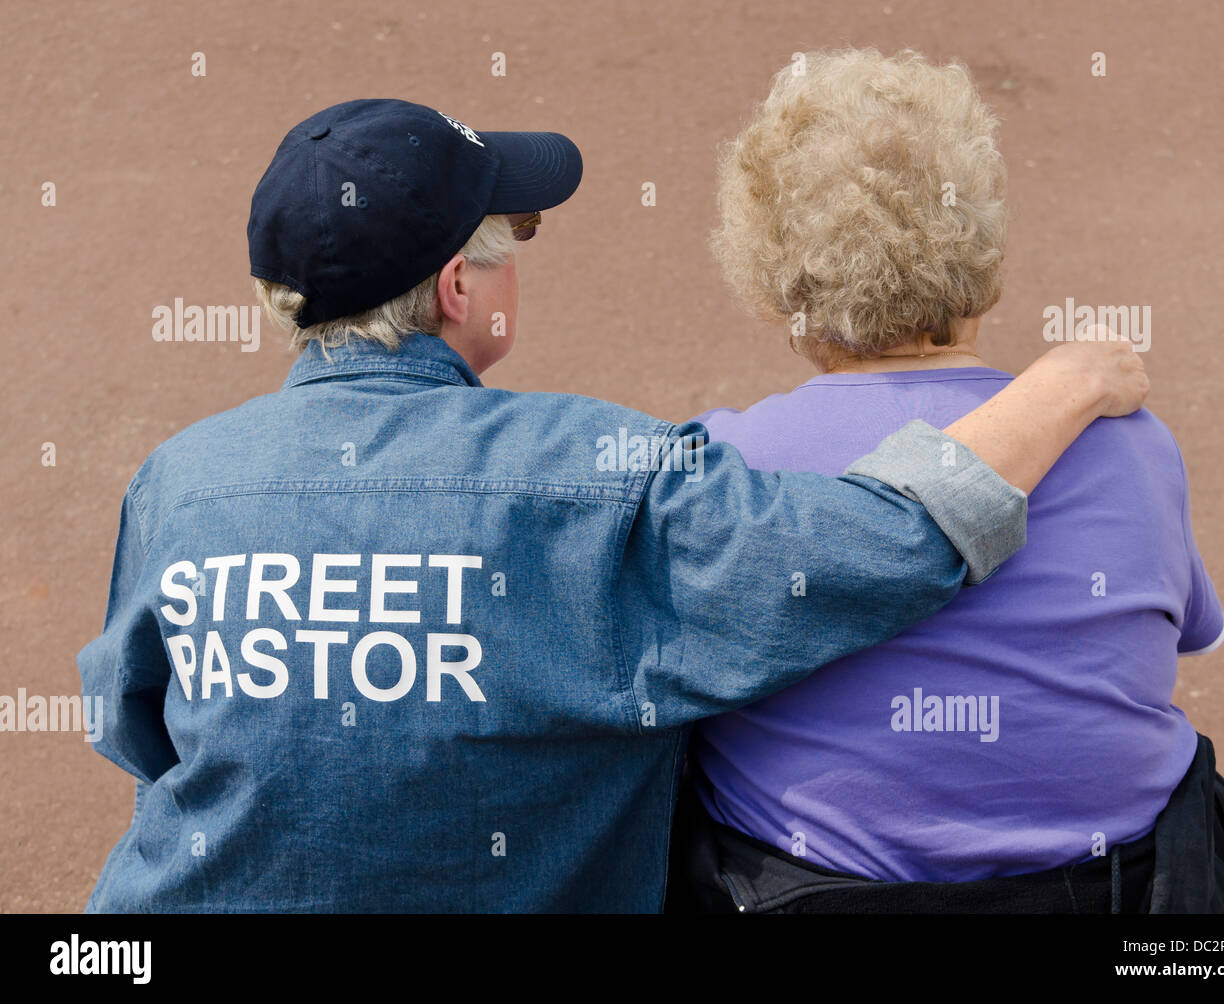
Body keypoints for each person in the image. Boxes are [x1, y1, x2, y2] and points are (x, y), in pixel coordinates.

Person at [77, 98, 1148, 912]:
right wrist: (1069, 385)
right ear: (459, 289)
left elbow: (135, 725)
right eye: (515, 237)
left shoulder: (177, 479)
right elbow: (880, 543)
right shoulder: (598, 466)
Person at [676, 49, 1224, 914]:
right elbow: (1188, 638)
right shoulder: (1132, 444)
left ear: (771, 274)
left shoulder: (726, 461)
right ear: (982, 251)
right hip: (1123, 898)